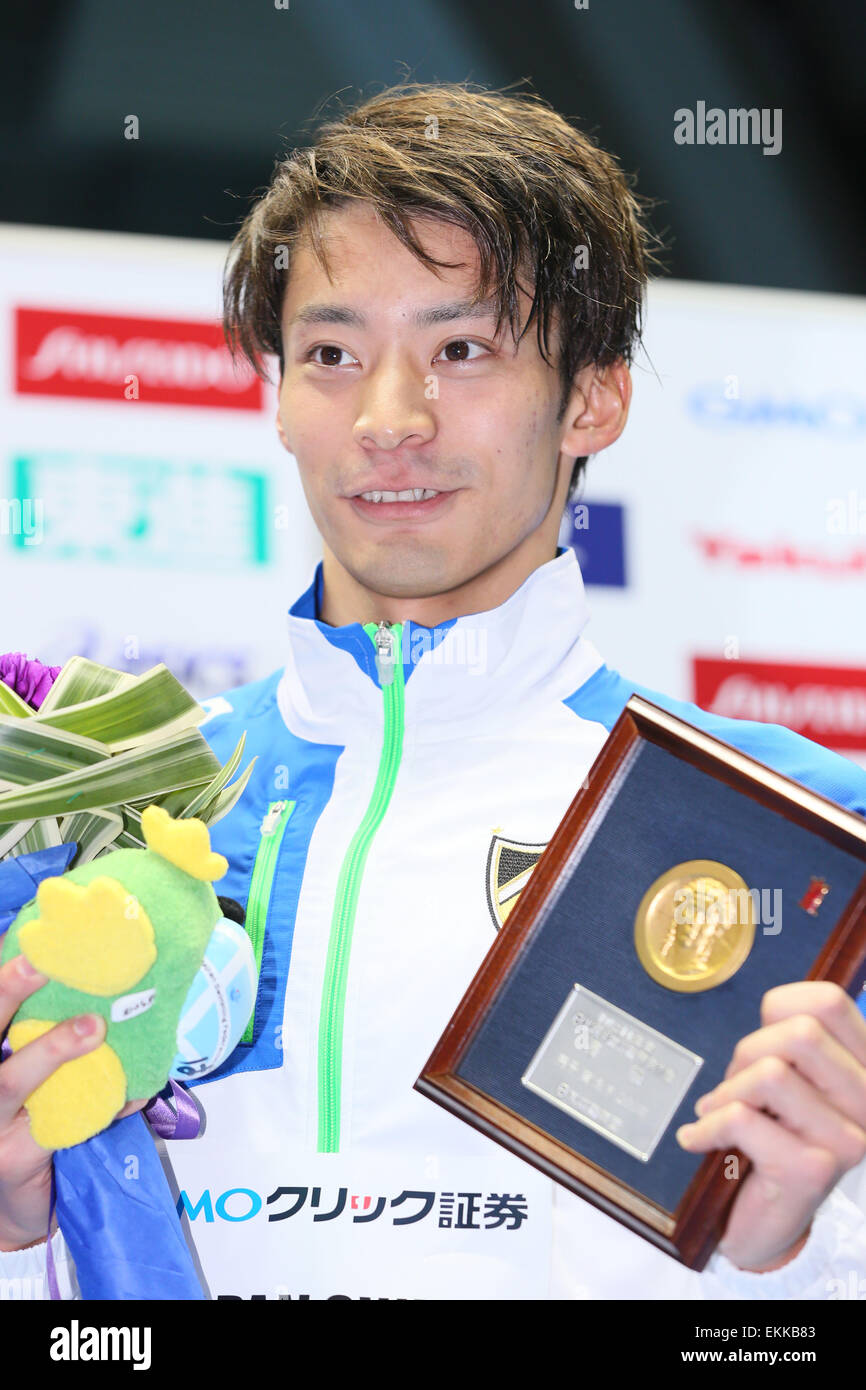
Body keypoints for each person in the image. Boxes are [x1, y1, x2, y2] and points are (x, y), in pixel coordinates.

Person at [2, 80, 866, 1301]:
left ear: (593, 396)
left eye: (460, 350)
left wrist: (777, 1252)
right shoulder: (95, 809)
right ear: (280, 398)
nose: (388, 418)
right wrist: (14, 1232)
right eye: (332, 354)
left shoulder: (799, 830)